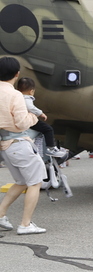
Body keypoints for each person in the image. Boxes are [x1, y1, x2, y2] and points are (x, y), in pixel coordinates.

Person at [0, 56, 46, 235]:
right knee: (35, 182)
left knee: (21, 181)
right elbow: (21, 123)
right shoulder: (15, 95)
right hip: (19, 142)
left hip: (5, 144)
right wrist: (34, 117)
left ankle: (1, 213)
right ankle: (25, 224)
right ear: (17, 74)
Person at [15, 77, 63, 157]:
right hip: (29, 120)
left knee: (39, 133)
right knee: (48, 129)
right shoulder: (26, 98)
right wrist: (41, 113)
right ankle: (50, 148)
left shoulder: (17, 97)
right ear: (31, 91)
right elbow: (30, 107)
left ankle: (38, 149)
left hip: (21, 120)